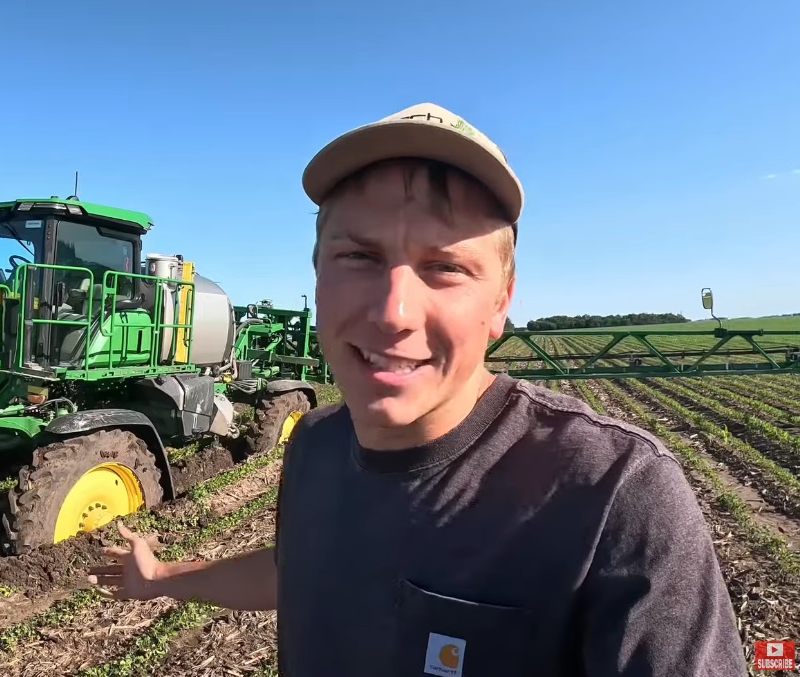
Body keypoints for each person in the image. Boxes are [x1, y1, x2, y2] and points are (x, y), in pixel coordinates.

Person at [87, 103, 745, 675]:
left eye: (444, 267)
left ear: (501, 302)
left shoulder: (614, 493)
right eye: (360, 257)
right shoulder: (315, 442)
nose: (393, 311)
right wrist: (165, 578)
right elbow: (302, 572)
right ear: (317, 276)